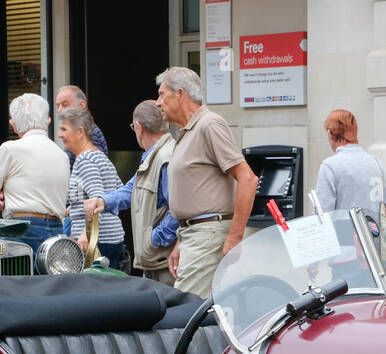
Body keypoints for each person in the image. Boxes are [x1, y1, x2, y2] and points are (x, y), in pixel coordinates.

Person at [154, 66, 257, 297]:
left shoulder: (209, 124)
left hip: (207, 238)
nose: (158, 102)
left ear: (180, 94)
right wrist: (181, 240)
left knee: (186, 313)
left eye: (162, 94)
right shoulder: (188, 131)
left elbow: (248, 179)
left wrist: (234, 237)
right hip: (195, 236)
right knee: (205, 314)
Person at [83, 100, 178, 282]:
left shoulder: (165, 158)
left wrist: (154, 238)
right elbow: (131, 190)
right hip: (157, 261)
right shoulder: (154, 156)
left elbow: (179, 210)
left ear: (138, 127)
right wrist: (102, 201)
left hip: (165, 262)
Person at [0, 93, 70, 253]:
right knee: (52, 278)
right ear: (47, 122)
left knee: (18, 277)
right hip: (57, 229)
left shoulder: (9, 149)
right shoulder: (62, 155)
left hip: (21, 228)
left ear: (14, 125)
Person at [59, 107, 126, 269]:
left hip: (97, 242)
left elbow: (97, 200)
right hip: (112, 238)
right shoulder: (100, 156)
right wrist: (74, 208)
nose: (60, 134)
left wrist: (86, 235)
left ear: (80, 132)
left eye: (64, 129)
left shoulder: (85, 161)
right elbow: (118, 189)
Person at [316, 109, 386, 230]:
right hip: (373, 242)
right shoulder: (375, 163)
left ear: (330, 133)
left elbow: (323, 216)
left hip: (344, 242)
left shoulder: (329, 166)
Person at [54, 85, 108, 163]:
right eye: (58, 106)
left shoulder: (91, 133)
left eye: (65, 104)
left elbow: (91, 167)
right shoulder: (77, 131)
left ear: (82, 105)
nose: (59, 110)